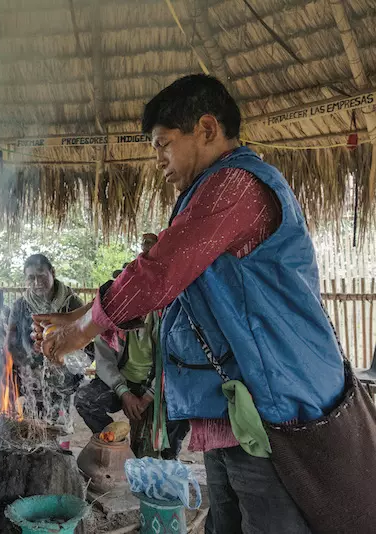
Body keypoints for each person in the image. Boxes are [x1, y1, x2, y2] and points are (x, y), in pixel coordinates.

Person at [36, 74, 346, 534]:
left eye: (163, 144)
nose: (158, 160)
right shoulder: (208, 195)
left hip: (273, 408)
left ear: (205, 128)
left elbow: (157, 274)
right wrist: (79, 315)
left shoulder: (235, 185)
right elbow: (152, 272)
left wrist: (78, 333)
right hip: (234, 412)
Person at [75, 235, 188, 459]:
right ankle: (116, 441)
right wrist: (124, 393)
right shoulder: (114, 316)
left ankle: (167, 455)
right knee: (85, 399)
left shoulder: (168, 315)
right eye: (126, 293)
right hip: (124, 383)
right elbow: (105, 360)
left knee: (179, 411)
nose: (131, 299)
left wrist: (147, 397)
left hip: (160, 385)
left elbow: (174, 363)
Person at [6, 254, 87, 433]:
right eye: (31, 278)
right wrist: (26, 362)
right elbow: (11, 340)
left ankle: (60, 444)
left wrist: (61, 353)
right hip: (30, 368)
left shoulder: (71, 304)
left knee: (57, 424)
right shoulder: (21, 305)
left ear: (53, 272)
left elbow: (86, 343)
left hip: (64, 370)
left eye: (41, 276)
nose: (36, 282)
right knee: (33, 422)